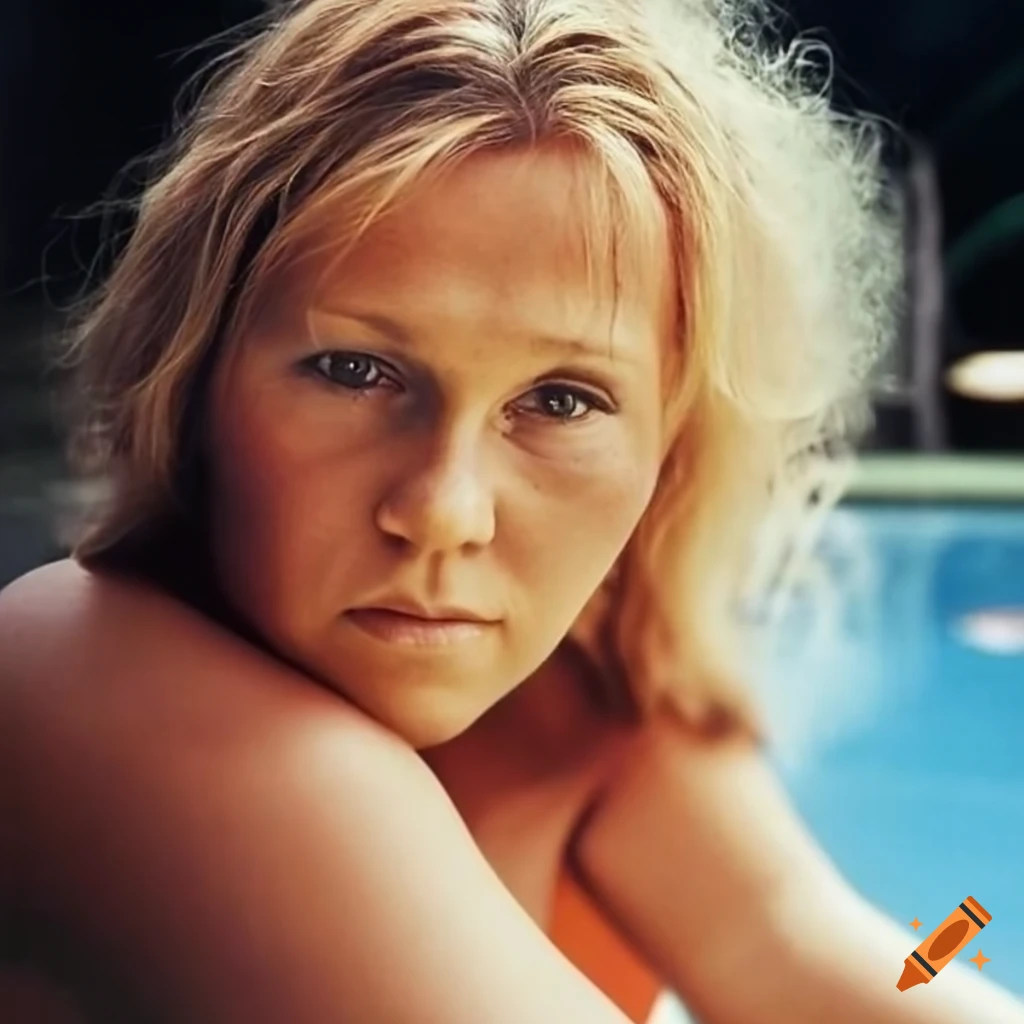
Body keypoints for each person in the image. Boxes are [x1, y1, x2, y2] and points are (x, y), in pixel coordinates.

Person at [1, 0, 1022, 1021]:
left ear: (671, 443)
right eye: (354, 370)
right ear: (196, 377)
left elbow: (812, 959)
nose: (443, 511)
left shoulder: (575, 691)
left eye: (560, 400)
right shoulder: (75, 684)